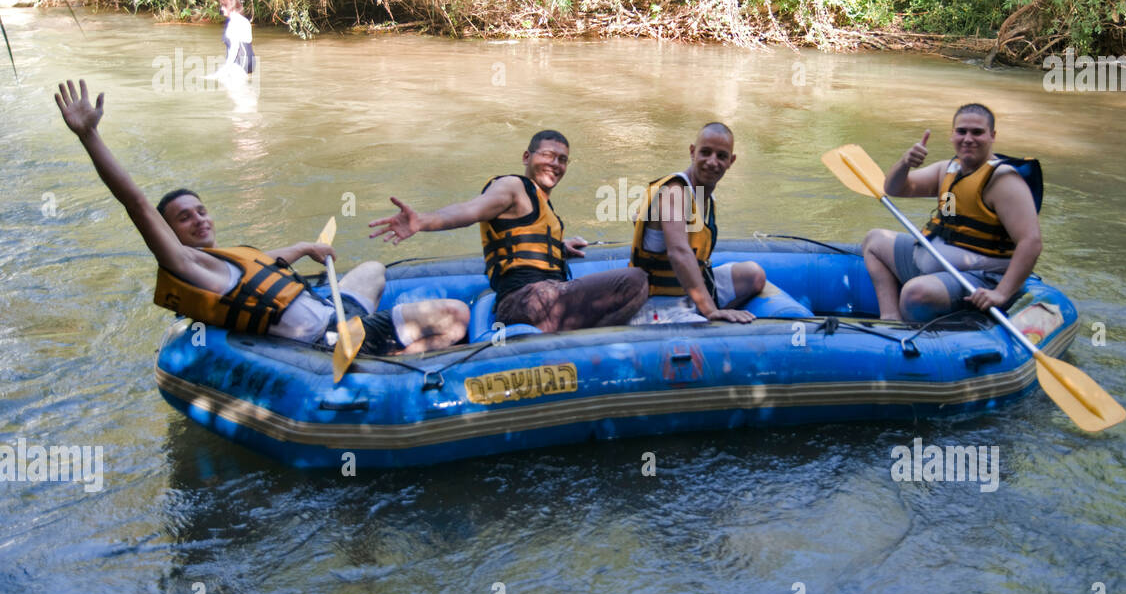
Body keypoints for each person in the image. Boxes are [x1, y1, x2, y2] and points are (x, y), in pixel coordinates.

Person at [55, 78, 468, 353]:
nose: (200, 219)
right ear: (168, 233)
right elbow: (136, 203)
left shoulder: (220, 262)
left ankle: (381, 338)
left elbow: (263, 266)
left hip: (331, 311)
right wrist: (90, 136)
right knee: (457, 317)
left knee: (374, 268)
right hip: (330, 338)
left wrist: (305, 246)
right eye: (185, 218)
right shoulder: (184, 264)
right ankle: (395, 358)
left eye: (201, 210)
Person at [368, 131, 648, 333]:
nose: (556, 164)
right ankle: (578, 344)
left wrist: (557, 247)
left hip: (541, 296)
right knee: (634, 279)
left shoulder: (540, 201)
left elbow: (520, 240)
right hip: (527, 300)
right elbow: (470, 211)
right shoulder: (512, 187)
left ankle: (571, 339)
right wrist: (422, 221)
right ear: (527, 156)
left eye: (563, 159)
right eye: (549, 155)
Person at [861, 103, 1043, 322]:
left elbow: (1031, 242)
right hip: (933, 261)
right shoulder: (947, 170)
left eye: (977, 132)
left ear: (992, 136)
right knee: (874, 240)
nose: (968, 138)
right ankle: (890, 319)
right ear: (952, 135)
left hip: (979, 278)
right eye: (961, 131)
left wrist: (1001, 293)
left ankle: (919, 342)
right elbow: (894, 188)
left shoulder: (1003, 181)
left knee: (915, 293)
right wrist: (905, 163)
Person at [628, 122, 766, 324]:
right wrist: (710, 310)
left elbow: (636, 218)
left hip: (687, 290)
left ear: (731, 161)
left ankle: (706, 310)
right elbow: (679, 253)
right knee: (709, 331)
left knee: (753, 275)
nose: (712, 162)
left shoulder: (704, 196)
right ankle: (707, 314)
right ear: (692, 152)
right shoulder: (675, 192)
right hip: (658, 301)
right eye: (705, 152)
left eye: (721, 156)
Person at [219, 0, 255, 75]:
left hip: (240, 61)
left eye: (224, 6)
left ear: (229, 7)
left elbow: (235, 47)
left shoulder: (233, 22)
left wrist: (227, 66)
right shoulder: (244, 21)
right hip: (250, 60)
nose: (222, 9)